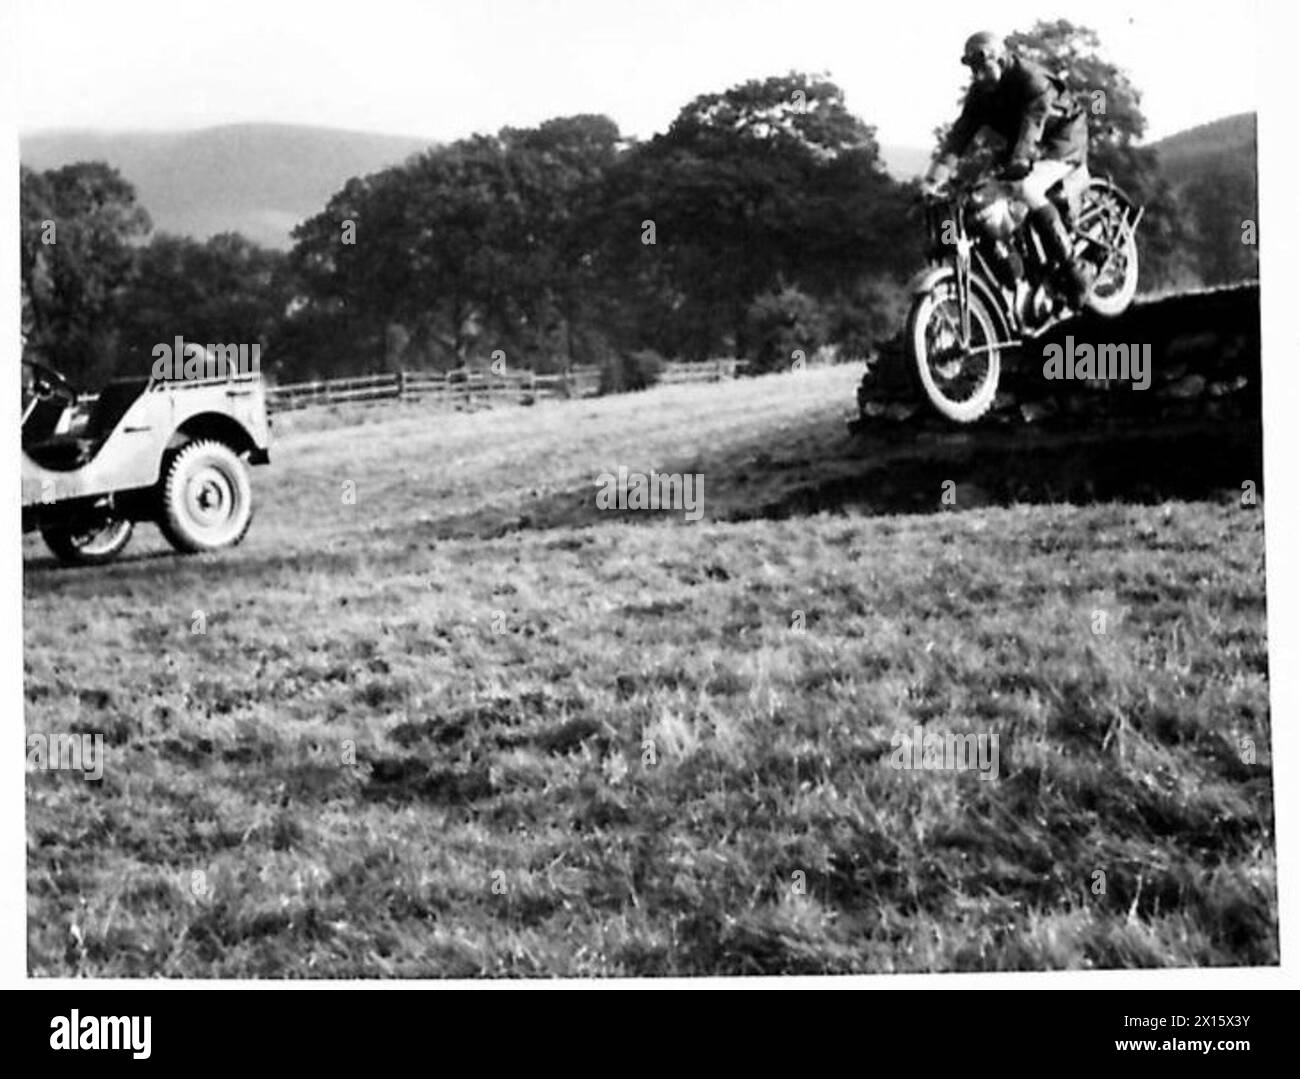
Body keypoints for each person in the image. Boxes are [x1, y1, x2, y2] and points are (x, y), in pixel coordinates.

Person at [922, 30, 1092, 305]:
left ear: (1000, 60)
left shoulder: (1031, 79)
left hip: (1060, 140)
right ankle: (1017, 279)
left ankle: (1075, 271)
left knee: (1027, 187)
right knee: (975, 208)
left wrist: (1019, 160)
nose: (977, 76)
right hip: (1022, 147)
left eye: (982, 67)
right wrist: (933, 180)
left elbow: (1032, 124)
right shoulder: (980, 93)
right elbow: (959, 137)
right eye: (973, 69)